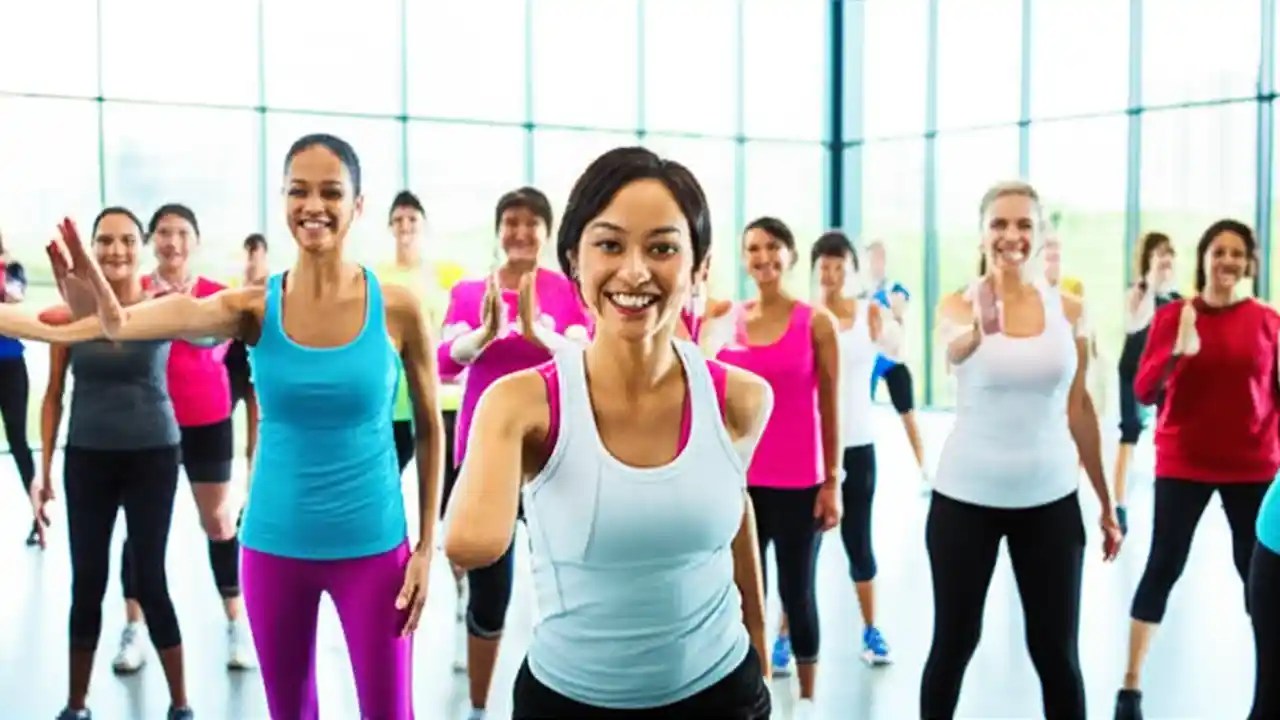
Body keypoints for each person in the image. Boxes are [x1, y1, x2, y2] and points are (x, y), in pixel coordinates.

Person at [44, 133, 445, 720]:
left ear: (358, 206)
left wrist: (428, 547)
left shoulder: (401, 307)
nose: (314, 205)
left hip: (376, 551)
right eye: (298, 191)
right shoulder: (254, 308)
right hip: (273, 549)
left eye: (331, 192)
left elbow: (432, 427)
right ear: (282, 198)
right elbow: (149, 320)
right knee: (291, 712)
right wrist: (101, 310)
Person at [444, 145, 773, 719]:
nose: (635, 270)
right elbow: (471, 541)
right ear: (574, 259)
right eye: (610, 244)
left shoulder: (742, 399)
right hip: (569, 701)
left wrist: (761, 652)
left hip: (723, 694)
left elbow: (731, 512)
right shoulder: (521, 403)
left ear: (698, 268)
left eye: (663, 248)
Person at [925, 180, 1121, 720]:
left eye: (1023, 224)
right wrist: (979, 332)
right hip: (965, 497)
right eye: (999, 224)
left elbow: (1080, 409)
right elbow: (952, 351)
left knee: (1057, 656)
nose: (1011, 235)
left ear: (1040, 234)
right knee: (954, 644)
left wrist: (1106, 502)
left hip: (1051, 499)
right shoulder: (959, 304)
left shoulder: (1071, 311)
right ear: (983, 232)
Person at [1114, 219, 1280, 720]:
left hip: (1252, 465)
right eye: (1218, 252)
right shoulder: (1173, 318)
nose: (1227, 261)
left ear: (1248, 263)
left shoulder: (1269, 322)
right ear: (1203, 258)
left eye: (1237, 254)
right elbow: (1144, 392)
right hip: (1184, 461)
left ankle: (1269, 690)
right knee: (1163, 566)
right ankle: (1130, 688)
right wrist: (1175, 352)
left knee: (1260, 584)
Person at [435, 186, 590, 717]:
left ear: (547, 232)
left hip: (552, 453)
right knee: (489, 581)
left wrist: (535, 332)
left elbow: (586, 357)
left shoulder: (568, 290)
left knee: (563, 577)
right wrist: (485, 334)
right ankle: (479, 703)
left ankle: (565, 688)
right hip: (485, 456)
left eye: (531, 224)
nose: (520, 233)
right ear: (499, 230)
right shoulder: (468, 292)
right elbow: (443, 361)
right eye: (511, 222)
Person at [34, 207, 194, 720]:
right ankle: (76, 705)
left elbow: (130, 329)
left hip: (153, 455)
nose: (116, 251)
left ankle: (181, 704)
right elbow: (55, 393)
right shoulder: (75, 317)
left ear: (141, 247)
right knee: (88, 581)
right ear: (93, 247)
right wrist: (43, 472)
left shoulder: (159, 306)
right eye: (104, 241)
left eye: (127, 241)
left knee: (150, 578)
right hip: (88, 457)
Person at [109, 203, 255, 675]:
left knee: (218, 522)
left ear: (195, 241)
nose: (172, 242)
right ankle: (133, 628)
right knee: (141, 529)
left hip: (208, 423)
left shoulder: (217, 296)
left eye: (182, 233)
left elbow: (243, 361)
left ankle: (237, 623)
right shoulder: (134, 295)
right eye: (164, 232)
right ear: (152, 239)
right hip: (149, 424)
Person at [709, 216, 841, 717]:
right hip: (740, 483)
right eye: (752, 250)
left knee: (796, 592)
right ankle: (755, 693)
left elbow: (830, 405)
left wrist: (833, 482)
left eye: (771, 248)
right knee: (745, 595)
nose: (762, 258)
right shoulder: (728, 319)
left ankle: (807, 700)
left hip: (799, 483)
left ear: (789, 255)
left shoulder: (816, 322)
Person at [811, 230, 900, 666]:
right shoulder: (805, 317)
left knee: (859, 542)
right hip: (810, 449)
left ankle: (872, 630)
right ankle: (789, 637)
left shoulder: (869, 315)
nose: (830, 275)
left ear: (852, 271)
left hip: (859, 445)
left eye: (838, 267)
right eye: (823, 267)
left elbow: (897, 354)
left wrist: (891, 327)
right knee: (802, 549)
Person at [377, 190, 464, 476]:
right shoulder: (377, 277)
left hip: (438, 391)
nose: (405, 226)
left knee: (444, 485)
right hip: (392, 395)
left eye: (412, 219)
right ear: (390, 227)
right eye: (398, 219)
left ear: (423, 225)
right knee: (387, 476)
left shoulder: (446, 276)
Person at [1112, 232, 1178, 534]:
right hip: (1133, 371)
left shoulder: (1178, 300)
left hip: (1164, 376)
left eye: (1169, 254)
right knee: (1129, 435)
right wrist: (1151, 286)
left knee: (1166, 437)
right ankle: (1120, 506)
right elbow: (1134, 323)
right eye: (1159, 255)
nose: (1166, 260)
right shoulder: (1137, 292)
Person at [864, 240, 929, 492]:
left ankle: (924, 470)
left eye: (881, 258)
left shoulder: (895, 289)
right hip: (870, 361)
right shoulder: (860, 292)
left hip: (892, 360)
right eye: (873, 258)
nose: (877, 263)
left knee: (908, 415)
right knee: (860, 414)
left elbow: (897, 311)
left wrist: (884, 310)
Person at [0, 230, 38, 545]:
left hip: (9, 364)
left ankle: (38, 515)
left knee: (18, 440)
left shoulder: (12, 268)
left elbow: (15, 296)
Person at [223, 233, 269, 475]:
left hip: (257, 369)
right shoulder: (233, 287)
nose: (253, 261)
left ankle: (251, 491)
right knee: (223, 425)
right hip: (233, 366)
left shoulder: (272, 289)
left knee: (255, 436)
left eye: (257, 255)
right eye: (249, 254)